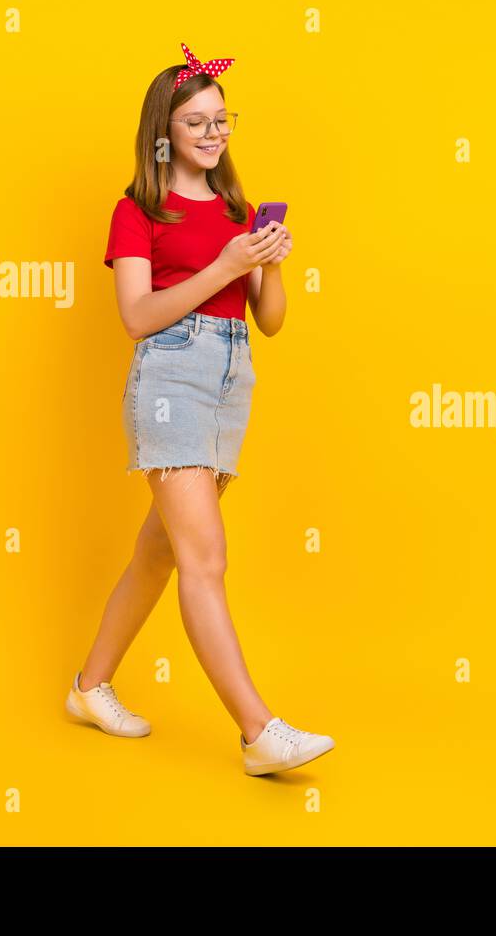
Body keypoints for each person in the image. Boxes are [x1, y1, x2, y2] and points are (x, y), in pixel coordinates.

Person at [64, 42, 334, 777]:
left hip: (229, 379)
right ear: (164, 134)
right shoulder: (137, 210)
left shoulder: (237, 210)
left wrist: (268, 262)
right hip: (168, 380)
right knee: (204, 560)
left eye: (222, 121)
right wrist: (223, 266)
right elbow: (136, 316)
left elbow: (269, 321)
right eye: (197, 124)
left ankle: (89, 688)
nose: (214, 135)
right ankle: (258, 734)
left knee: (159, 553)